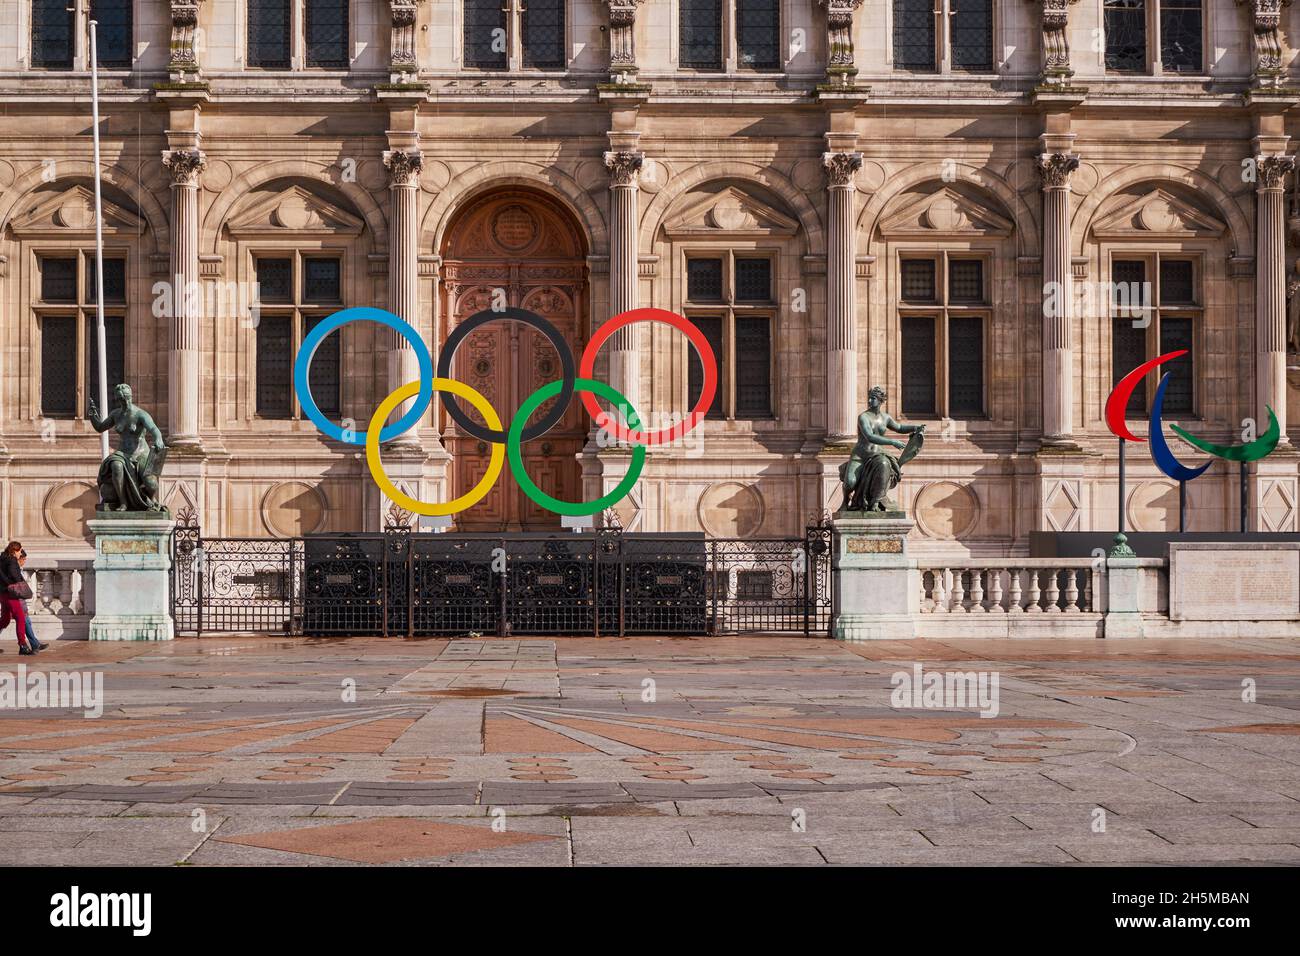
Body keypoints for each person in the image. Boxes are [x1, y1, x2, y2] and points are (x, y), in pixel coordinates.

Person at [840, 386, 926, 513]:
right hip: (861, 455)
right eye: (869, 398)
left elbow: (899, 427)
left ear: (880, 401)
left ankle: (876, 500)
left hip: (877, 454)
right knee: (850, 483)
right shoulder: (863, 417)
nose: (870, 401)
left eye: (873, 398)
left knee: (884, 465)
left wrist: (915, 428)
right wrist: (892, 441)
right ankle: (845, 501)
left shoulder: (885, 418)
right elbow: (869, 436)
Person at [89, 383, 167, 513]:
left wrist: (158, 439)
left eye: (126, 398)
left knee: (151, 484)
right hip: (123, 453)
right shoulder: (116, 414)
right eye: (121, 398)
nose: (124, 401)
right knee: (116, 466)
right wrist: (92, 415)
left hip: (141, 453)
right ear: (117, 399)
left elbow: (153, 428)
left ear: (130, 397)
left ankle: (151, 501)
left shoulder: (140, 414)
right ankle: (123, 502)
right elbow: (100, 427)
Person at [0, 540, 35, 655]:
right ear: (15, 551)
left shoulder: (2, 558)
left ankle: (24, 645)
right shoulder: (12, 560)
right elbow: (14, 574)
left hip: (3, 593)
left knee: (5, 620)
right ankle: (23, 645)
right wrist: (17, 582)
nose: (20, 553)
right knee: (20, 618)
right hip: (10, 593)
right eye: (19, 551)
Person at [17, 550, 45, 652]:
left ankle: (34, 644)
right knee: (5, 621)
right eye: (23, 559)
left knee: (26, 621)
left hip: (19, 600)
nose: (24, 561)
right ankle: (32, 644)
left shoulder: (18, 569)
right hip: (16, 600)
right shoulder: (14, 569)